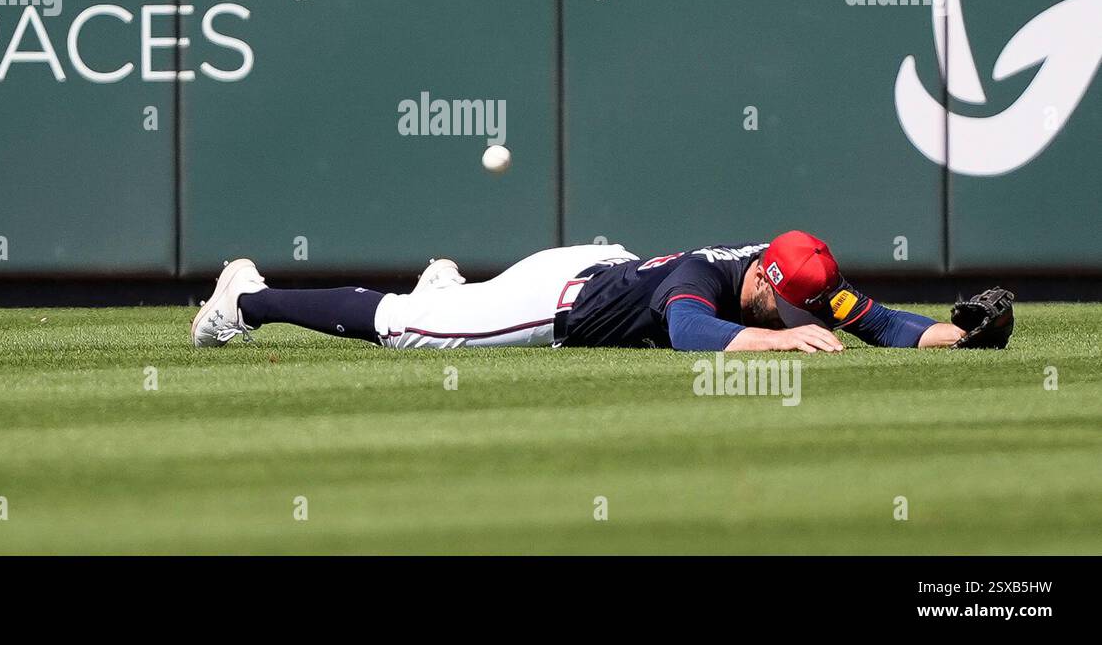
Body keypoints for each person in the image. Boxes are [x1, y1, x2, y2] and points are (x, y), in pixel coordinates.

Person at [189, 230, 979, 352]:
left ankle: (448, 288)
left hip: (598, 262)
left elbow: (882, 323)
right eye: (793, 308)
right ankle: (244, 298)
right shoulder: (705, 278)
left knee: (438, 308)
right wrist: (775, 340)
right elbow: (687, 333)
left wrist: (961, 331)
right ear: (766, 283)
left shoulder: (798, 272)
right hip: (564, 299)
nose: (810, 316)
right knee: (405, 330)